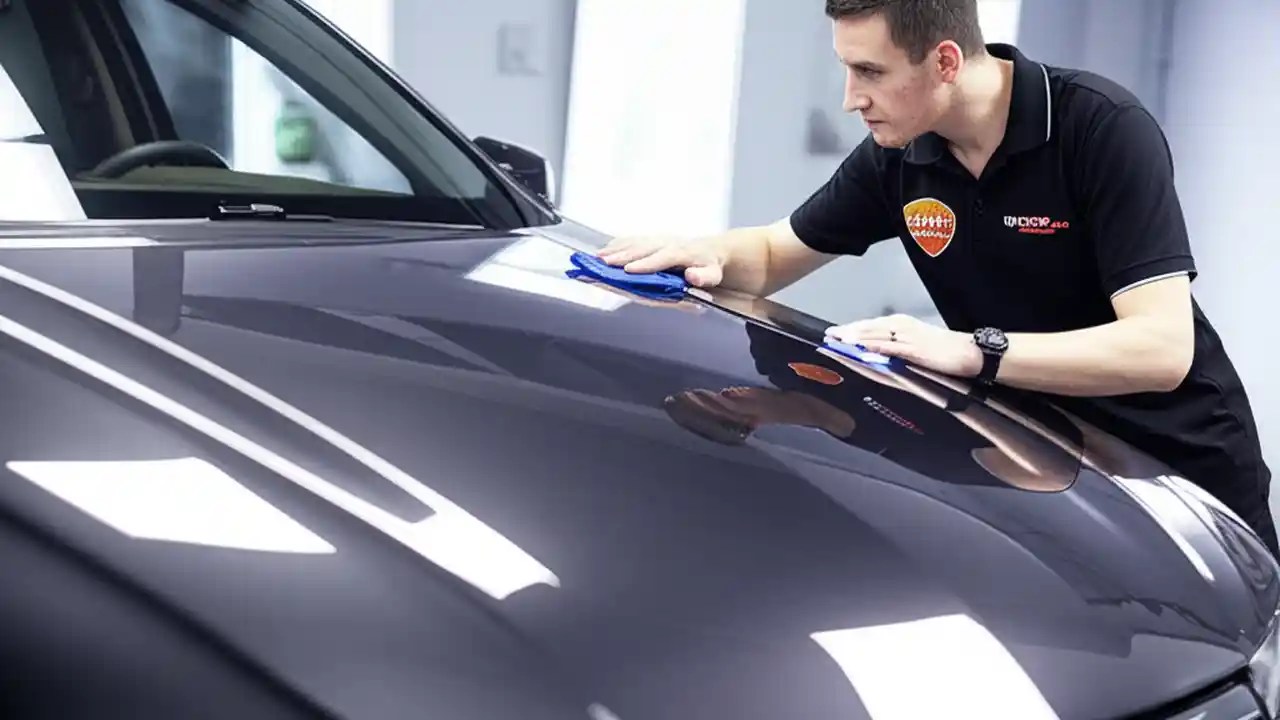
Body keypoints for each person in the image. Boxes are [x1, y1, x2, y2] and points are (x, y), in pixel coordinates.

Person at [601, 0, 1278, 557]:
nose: (849, 99)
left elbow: (1161, 351)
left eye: (869, 70)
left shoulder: (1100, 128)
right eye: (846, 68)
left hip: (1179, 473)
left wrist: (968, 350)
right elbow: (778, 252)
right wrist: (702, 253)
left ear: (945, 61)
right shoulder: (900, 155)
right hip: (1041, 458)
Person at [665, 322, 1082, 492]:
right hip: (1075, 386)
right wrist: (952, 397)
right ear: (750, 426)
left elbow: (757, 285)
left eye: (717, 389)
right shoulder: (897, 449)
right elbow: (1054, 472)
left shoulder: (777, 355)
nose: (730, 389)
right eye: (723, 402)